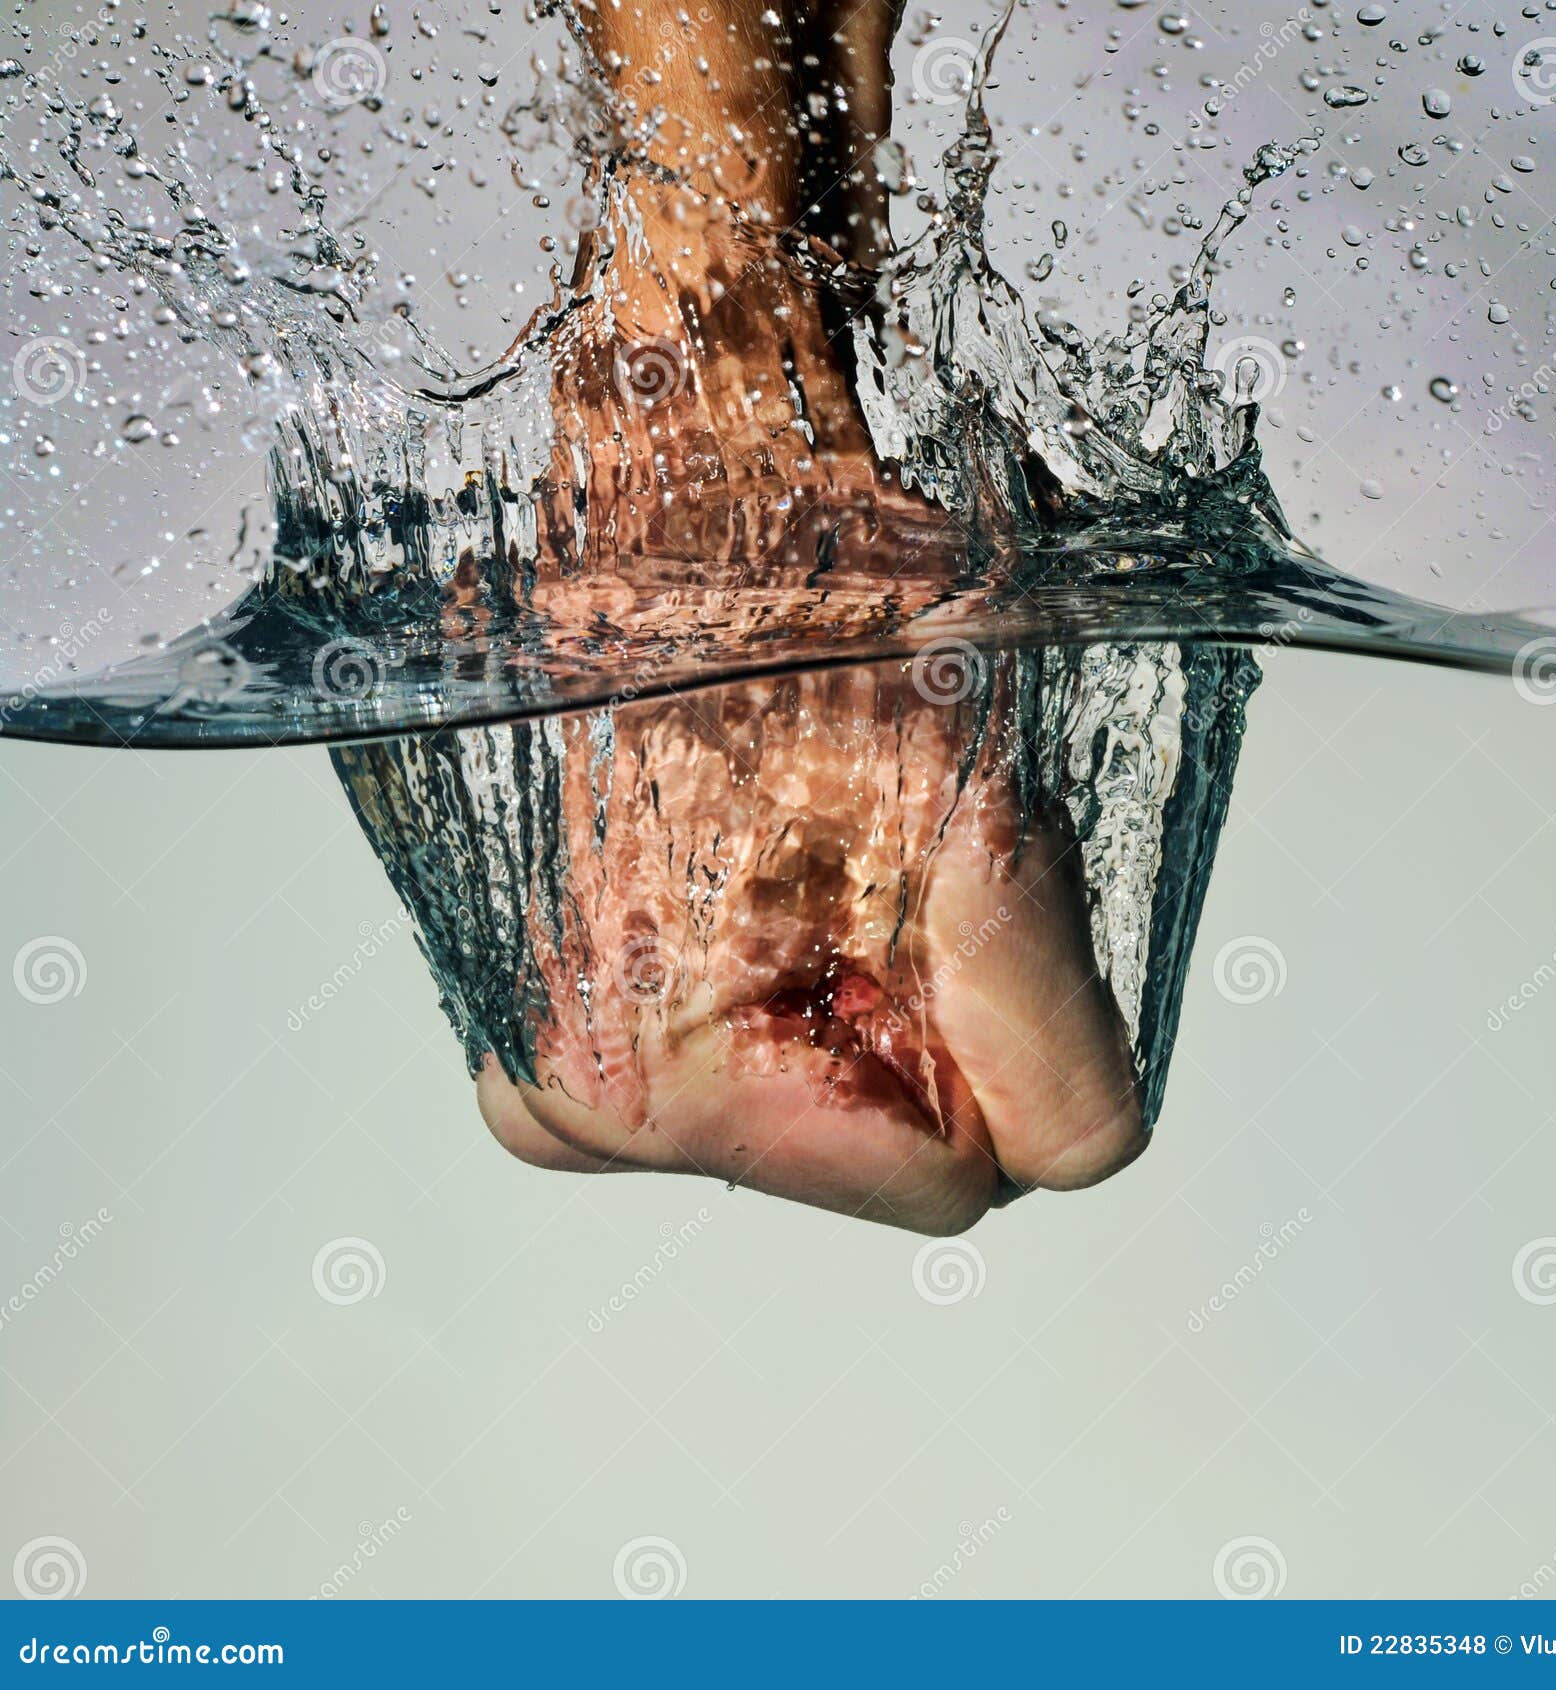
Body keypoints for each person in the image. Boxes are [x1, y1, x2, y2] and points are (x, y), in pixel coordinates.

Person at [343, 0, 1148, 1234]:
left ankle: (817, 840)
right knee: (1070, 1136)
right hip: (728, 645)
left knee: (1074, 1137)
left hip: (755, 651)